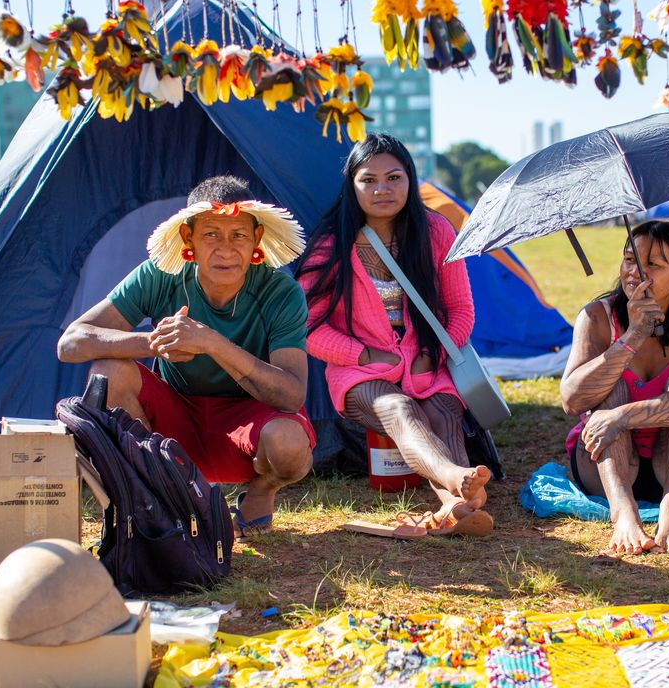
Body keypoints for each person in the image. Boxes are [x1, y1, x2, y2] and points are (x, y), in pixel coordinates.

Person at [57, 175, 315, 539]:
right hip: (174, 423)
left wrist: (211, 343)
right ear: (188, 238)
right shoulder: (160, 275)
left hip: (249, 419)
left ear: (256, 239)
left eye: (238, 235)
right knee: (108, 371)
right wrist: (155, 342)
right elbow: (71, 343)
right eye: (211, 234)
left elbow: (291, 396)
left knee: (288, 444)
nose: (226, 249)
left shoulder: (280, 291)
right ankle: (155, 496)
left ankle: (261, 491)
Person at [297, 133, 493, 536]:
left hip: (426, 360)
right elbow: (309, 327)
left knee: (444, 411)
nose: (382, 189)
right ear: (352, 185)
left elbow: (460, 311)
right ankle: (458, 479)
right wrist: (364, 356)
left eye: (394, 177)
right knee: (399, 410)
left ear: (410, 179)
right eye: (369, 180)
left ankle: (459, 506)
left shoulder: (436, 231)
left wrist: (432, 355)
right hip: (361, 372)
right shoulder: (331, 244)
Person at [560, 220, 669, 555]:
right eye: (630, 259)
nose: (635, 271)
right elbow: (572, 399)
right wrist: (632, 336)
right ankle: (624, 513)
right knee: (612, 386)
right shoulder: (596, 317)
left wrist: (623, 417)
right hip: (605, 464)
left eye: (653, 264)